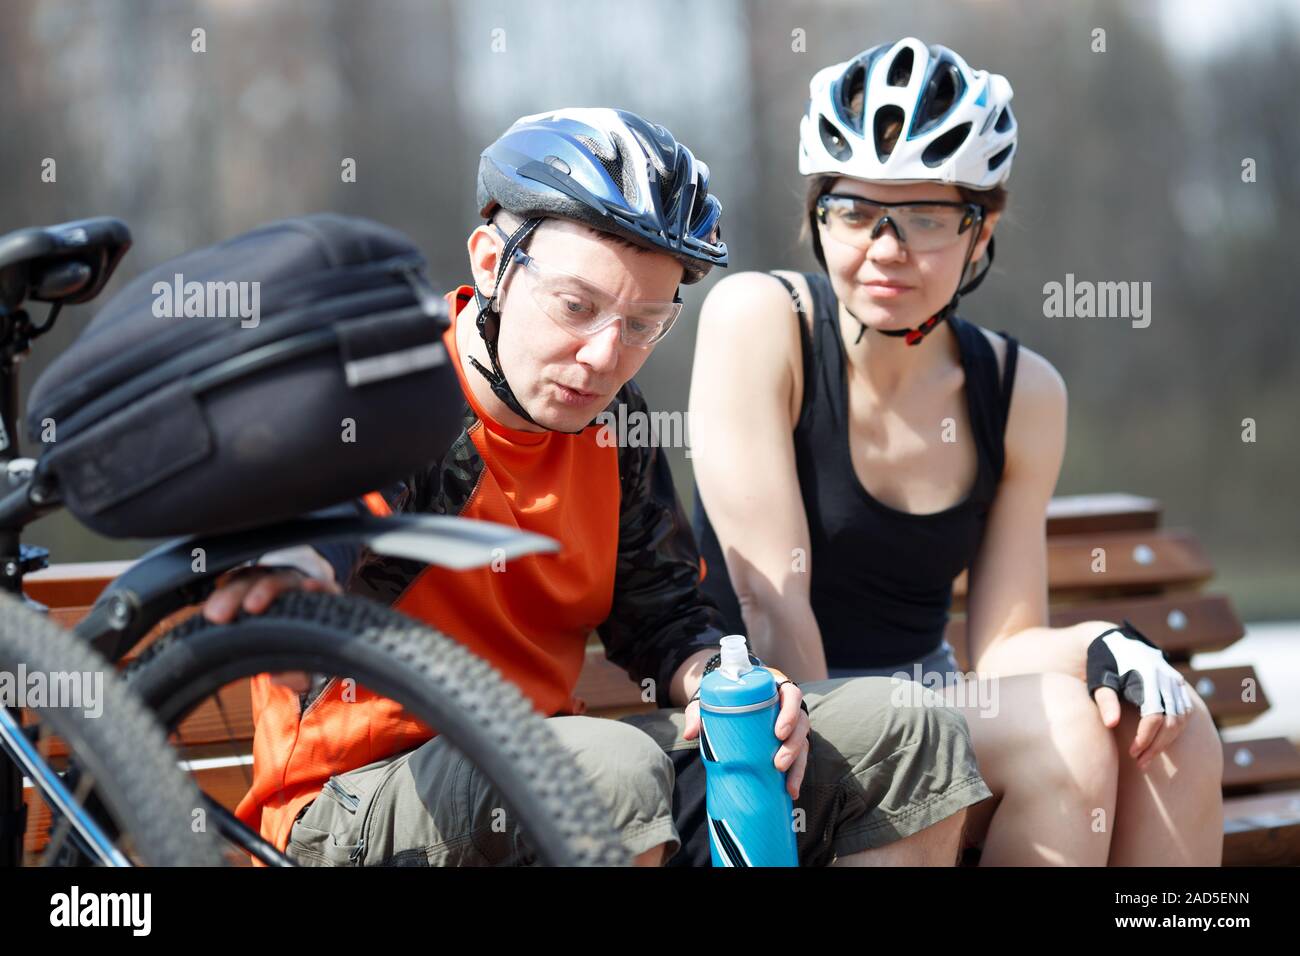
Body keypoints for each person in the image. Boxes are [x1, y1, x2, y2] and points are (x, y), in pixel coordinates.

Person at [207, 106, 992, 866]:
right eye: (577, 307)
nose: (603, 358)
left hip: (560, 782)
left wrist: (731, 683)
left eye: (644, 324)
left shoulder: (615, 429)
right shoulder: (399, 395)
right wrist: (298, 566)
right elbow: (331, 518)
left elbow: (663, 624)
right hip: (354, 810)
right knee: (607, 772)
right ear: (492, 264)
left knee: (902, 729)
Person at [689, 38, 1224, 865]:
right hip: (780, 724)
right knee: (1066, 739)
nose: (887, 248)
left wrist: (1106, 645)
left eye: (928, 218)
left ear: (983, 231)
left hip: (948, 709)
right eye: (855, 211)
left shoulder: (1021, 390)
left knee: (1172, 723)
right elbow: (772, 607)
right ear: (817, 212)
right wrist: (865, 760)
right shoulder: (761, 322)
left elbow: (1007, 645)